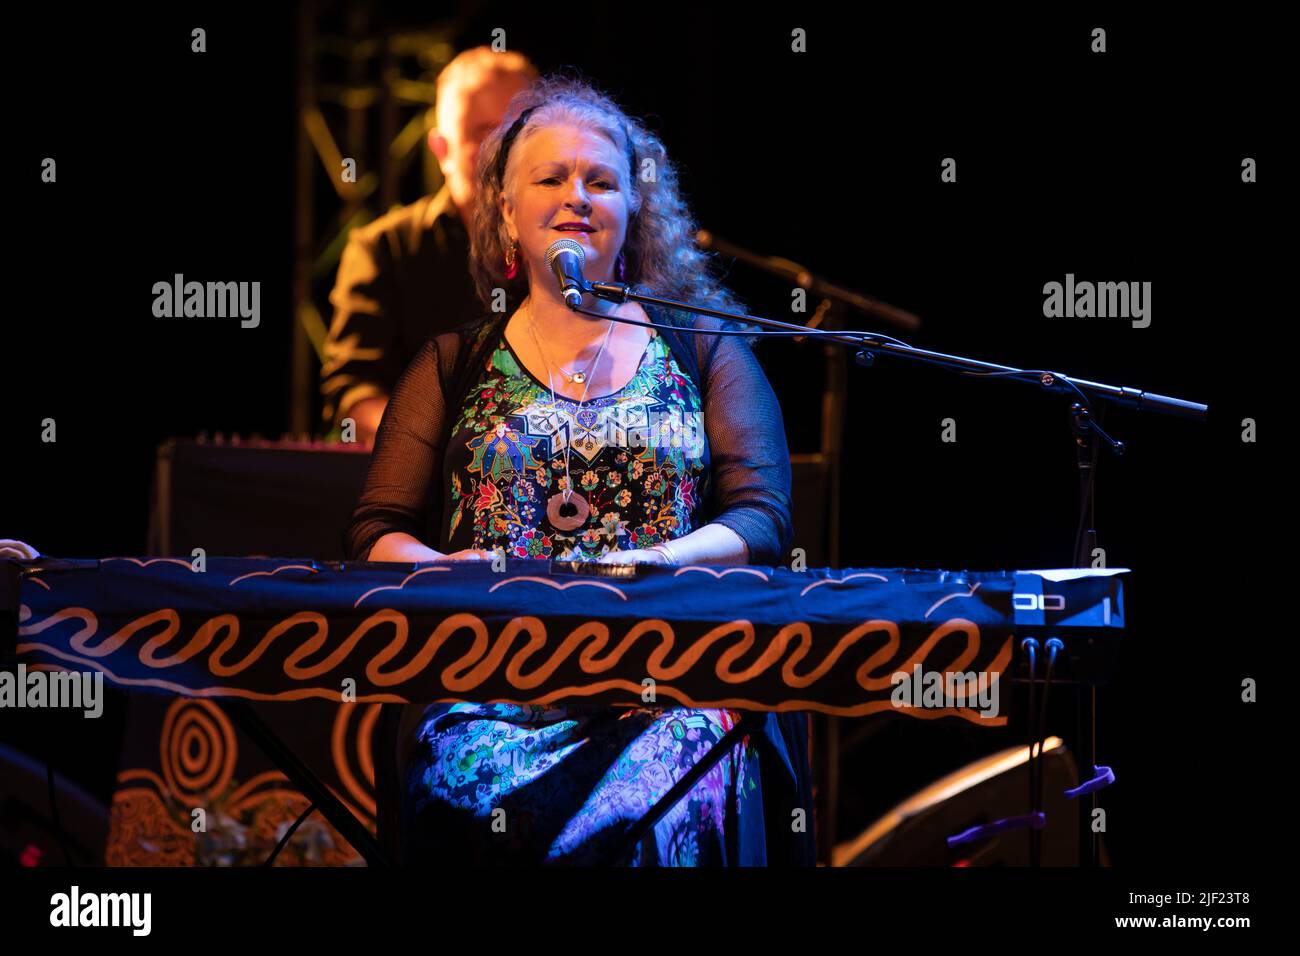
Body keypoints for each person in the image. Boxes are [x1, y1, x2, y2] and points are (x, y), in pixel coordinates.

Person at [345, 75, 811, 865]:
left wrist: (655, 561)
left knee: (650, 814)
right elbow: (375, 532)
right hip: (491, 682)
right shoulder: (453, 363)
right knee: (469, 797)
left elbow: (762, 518)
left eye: (600, 180)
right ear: (504, 213)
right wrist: (443, 568)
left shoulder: (702, 347)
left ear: (633, 210)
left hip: (667, 681)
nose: (576, 196)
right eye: (551, 177)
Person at [320, 47, 538, 442]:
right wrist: (437, 438)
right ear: (441, 149)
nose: (501, 151)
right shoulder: (384, 248)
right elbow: (352, 390)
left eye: (515, 132)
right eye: (482, 133)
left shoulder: (565, 247)